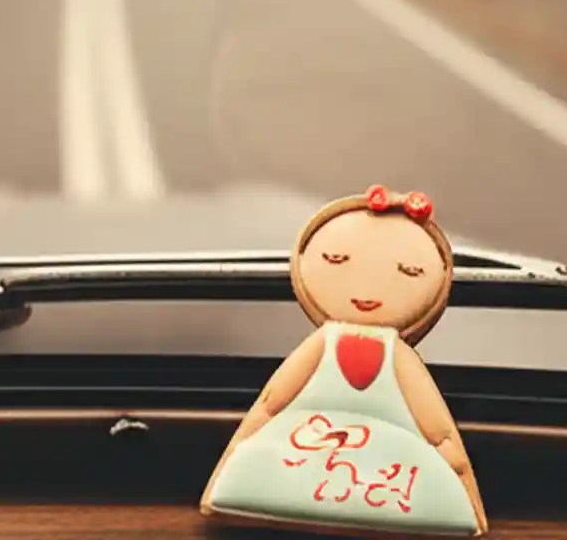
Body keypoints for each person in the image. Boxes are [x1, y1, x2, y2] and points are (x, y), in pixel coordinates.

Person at [200, 185, 488, 537]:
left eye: (409, 271)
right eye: (336, 260)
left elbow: (436, 427)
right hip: (317, 452)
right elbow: (272, 403)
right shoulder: (326, 344)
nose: (367, 289)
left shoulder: (395, 355)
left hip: (381, 473)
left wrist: (453, 461)